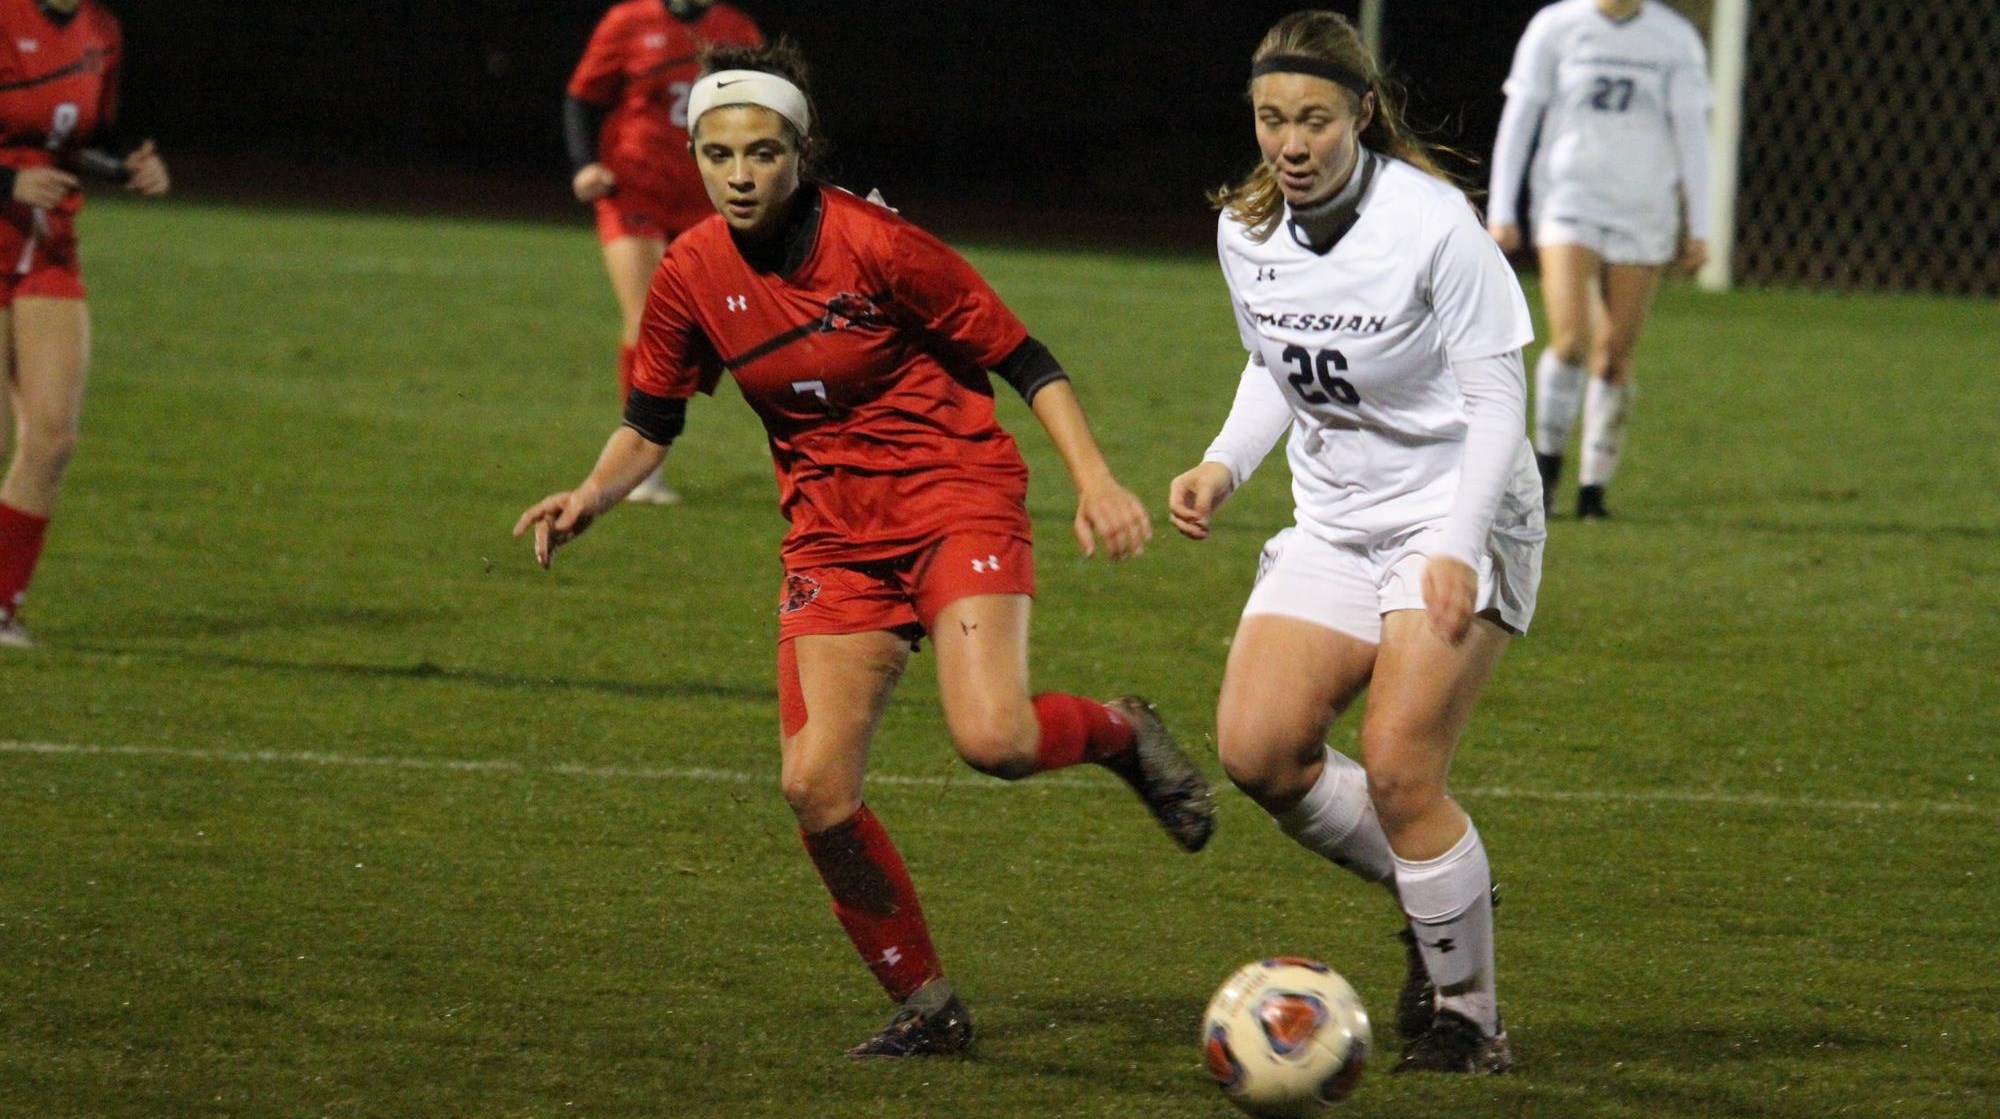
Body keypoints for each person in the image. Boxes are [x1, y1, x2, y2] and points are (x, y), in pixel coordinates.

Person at [517, 39, 1216, 1059]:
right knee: (814, 789)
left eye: (761, 152)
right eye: (718, 156)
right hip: (833, 541)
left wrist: (1096, 480)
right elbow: (651, 420)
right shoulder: (690, 272)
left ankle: (1118, 732)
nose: (740, 174)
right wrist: (591, 493)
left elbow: (1027, 359)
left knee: (995, 742)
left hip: (953, 499)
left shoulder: (877, 243)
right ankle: (927, 1005)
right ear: (696, 160)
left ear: (801, 151)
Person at [1171, 10, 1543, 1075]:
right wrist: (1220, 463)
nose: (1290, 144)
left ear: (1361, 116)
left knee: (1397, 768)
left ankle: (1468, 1015)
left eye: (1315, 121)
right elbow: (1272, 365)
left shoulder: (1431, 225)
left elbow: (1495, 396)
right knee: (1256, 746)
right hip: (1336, 518)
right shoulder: (1244, 228)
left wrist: (1459, 543)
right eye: (1270, 120)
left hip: (1458, 512)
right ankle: (1440, 892)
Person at [1486, 0, 1712, 520]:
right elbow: (1521, 117)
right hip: (1569, 201)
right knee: (1570, 340)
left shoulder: (1673, 39)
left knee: (1614, 355)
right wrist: (1503, 208)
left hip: (1643, 209)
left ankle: (1593, 492)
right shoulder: (1556, 26)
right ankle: (1546, 470)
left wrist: (1699, 225)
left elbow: (1693, 134)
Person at [0, 0, 170, 649]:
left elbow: (87, 131)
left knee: (52, 436)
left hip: (49, 245)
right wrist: (6, 183)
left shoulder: (100, 28)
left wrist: (131, 160)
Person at [564, 0, 764, 506]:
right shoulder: (628, 22)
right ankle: (640, 462)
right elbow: (582, 97)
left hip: (706, 197)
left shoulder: (736, 30)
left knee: (709, 330)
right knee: (648, 317)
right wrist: (584, 165)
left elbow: (763, 111)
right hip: (634, 187)